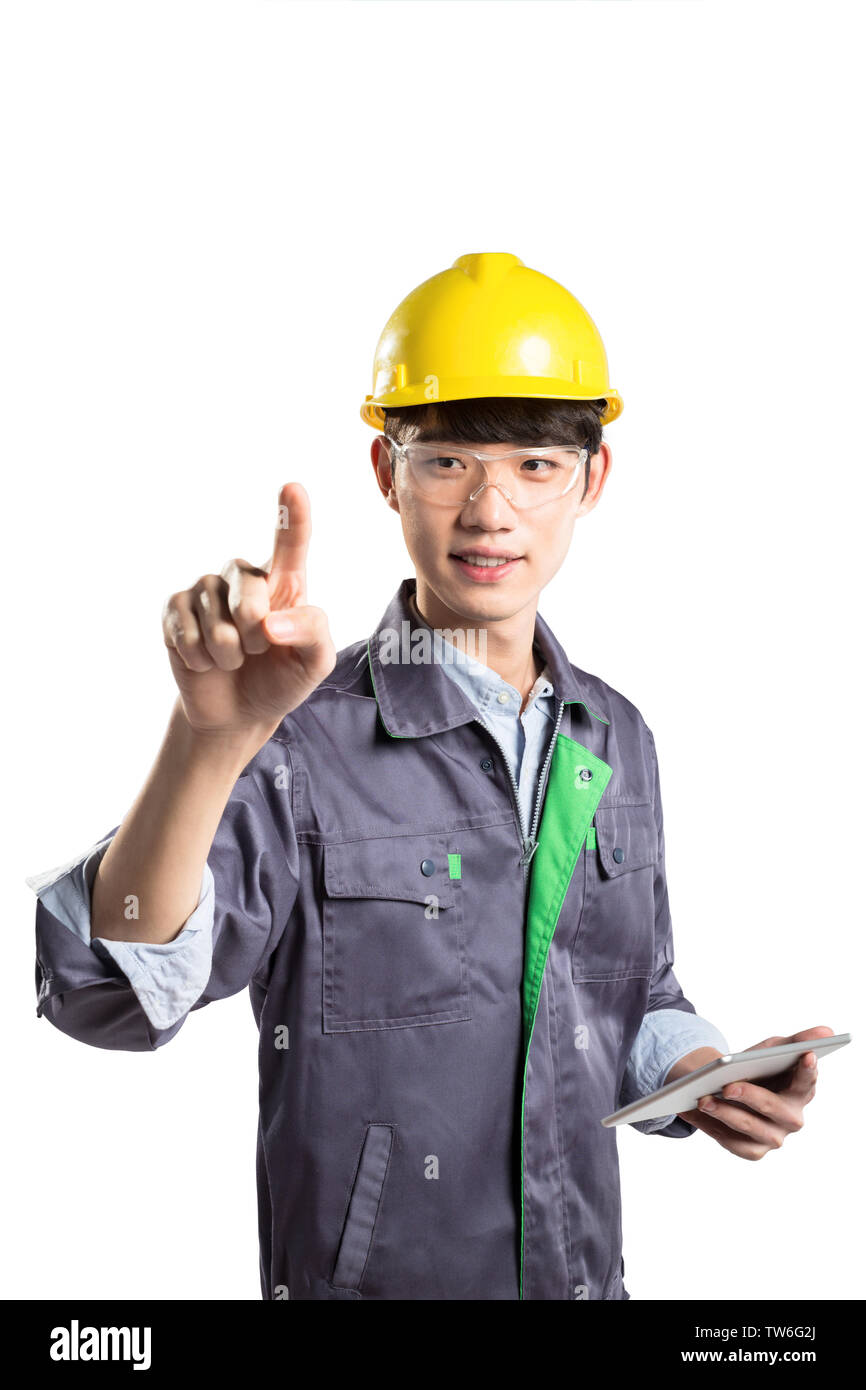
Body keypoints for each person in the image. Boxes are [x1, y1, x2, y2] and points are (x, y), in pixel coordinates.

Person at [28, 252, 831, 1301]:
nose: (490, 511)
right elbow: (105, 991)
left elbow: (629, 998)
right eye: (447, 460)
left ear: (591, 478)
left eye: (535, 466)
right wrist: (207, 741)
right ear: (384, 473)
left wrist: (693, 1075)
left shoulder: (614, 736)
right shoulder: (301, 741)